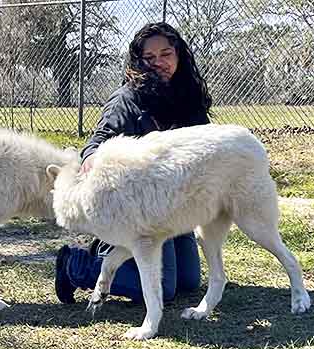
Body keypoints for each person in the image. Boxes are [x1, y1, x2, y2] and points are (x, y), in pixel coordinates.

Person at [54, 21, 212, 305]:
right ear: (139, 61)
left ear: (179, 55)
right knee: (163, 288)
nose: (158, 63)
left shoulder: (189, 97)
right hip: (134, 210)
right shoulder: (127, 100)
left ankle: (115, 260)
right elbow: (96, 141)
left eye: (165, 54)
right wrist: (91, 158)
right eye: (149, 58)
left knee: (189, 282)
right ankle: (75, 265)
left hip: (174, 204)